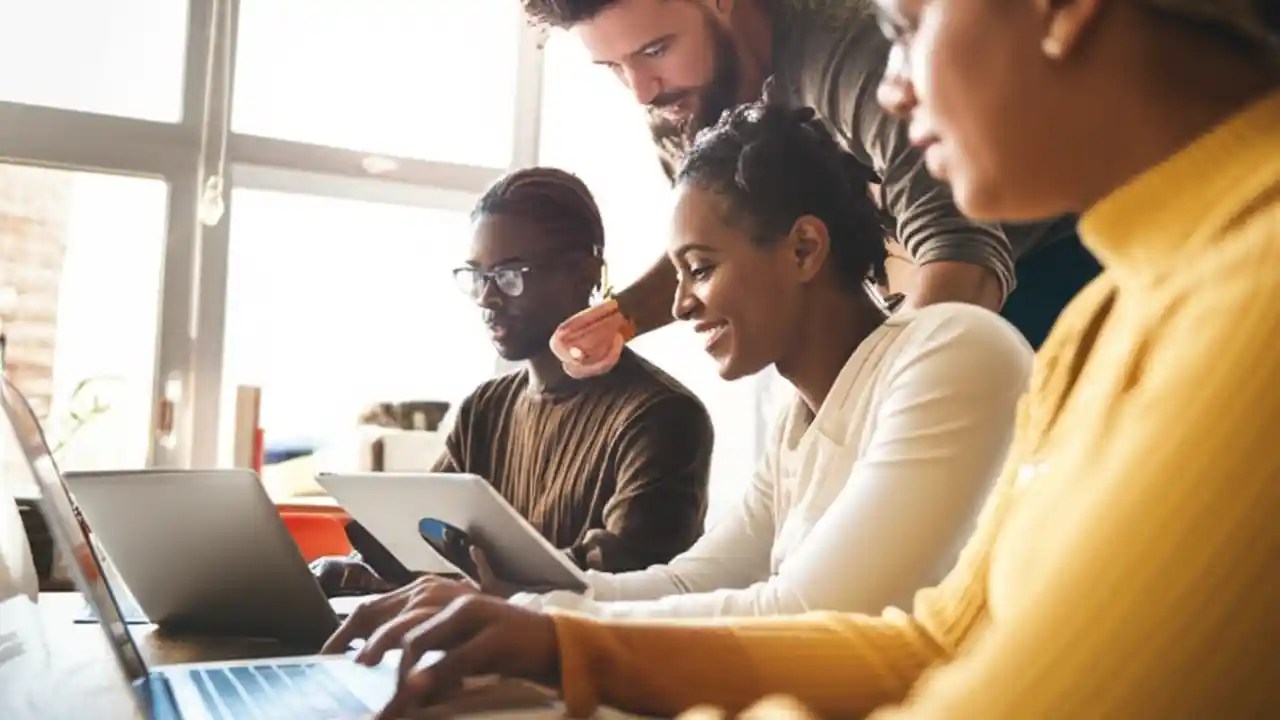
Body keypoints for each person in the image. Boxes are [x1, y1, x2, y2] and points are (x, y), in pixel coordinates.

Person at [359, 0, 1280, 717]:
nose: (893, 89)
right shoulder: (1109, 315)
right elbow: (929, 645)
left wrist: (897, 376)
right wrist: (560, 645)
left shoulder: (1247, 298)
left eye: (911, 27)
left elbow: (953, 265)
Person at [321, 101, 1030, 635]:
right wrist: (506, 602)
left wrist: (541, 627)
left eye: (701, 268)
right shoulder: (802, 421)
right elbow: (696, 579)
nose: (682, 303)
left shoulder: (951, 351)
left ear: (805, 249)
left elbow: (810, 611)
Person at [525, 0, 1085, 377]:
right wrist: (622, 318)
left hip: (1060, 263)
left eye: (656, 50)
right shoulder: (679, 101)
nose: (643, 91)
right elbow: (723, 247)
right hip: (924, 300)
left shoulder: (848, 51)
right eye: (613, 67)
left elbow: (959, 245)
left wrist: (875, 408)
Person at [313, 168, 714, 595]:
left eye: (509, 276)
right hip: (473, 648)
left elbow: (623, 575)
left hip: (580, 656)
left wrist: (471, 587)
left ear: (584, 275)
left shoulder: (661, 417)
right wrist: (348, 571)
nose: (487, 298)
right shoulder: (484, 410)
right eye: (477, 276)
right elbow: (421, 542)